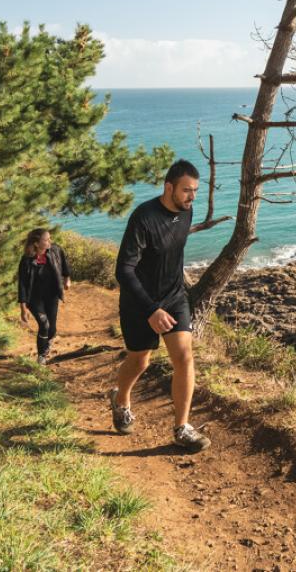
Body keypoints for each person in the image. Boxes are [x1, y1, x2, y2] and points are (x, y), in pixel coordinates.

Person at [108, 159, 210, 451]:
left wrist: (175, 289)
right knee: (140, 361)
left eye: (195, 191)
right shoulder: (143, 218)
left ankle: (182, 428)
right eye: (186, 191)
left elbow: (171, 253)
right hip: (140, 302)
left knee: (184, 358)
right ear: (169, 187)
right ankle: (121, 399)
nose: (192, 197)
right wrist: (151, 309)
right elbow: (124, 269)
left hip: (174, 297)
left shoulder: (186, 213)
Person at [17, 227, 71, 364]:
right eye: (46, 239)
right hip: (34, 298)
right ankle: (41, 356)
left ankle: (47, 346)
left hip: (52, 295)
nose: (50, 241)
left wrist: (67, 278)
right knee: (44, 324)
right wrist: (23, 308)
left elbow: (64, 265)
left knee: (52, 328)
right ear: (36, 243)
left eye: (49, 238)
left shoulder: (55, 250)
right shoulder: (26, 260)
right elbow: (22, 284)